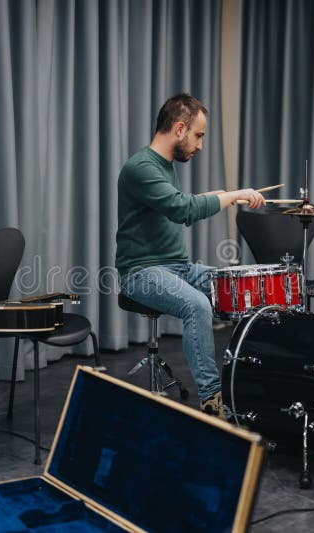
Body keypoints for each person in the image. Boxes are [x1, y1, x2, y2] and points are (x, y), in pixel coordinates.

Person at [115, 93, 265, 418]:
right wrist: (235, 195)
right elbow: (183, 209)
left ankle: (254, 382)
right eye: (198, 135)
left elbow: (180, 199)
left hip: (178, 268)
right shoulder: (140, 168)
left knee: (238, 286)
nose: (200, 145)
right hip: (140, 273)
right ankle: (212, 402)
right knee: (197, 305)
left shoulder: (163, 166)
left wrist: (220, 196)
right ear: (180, 128)